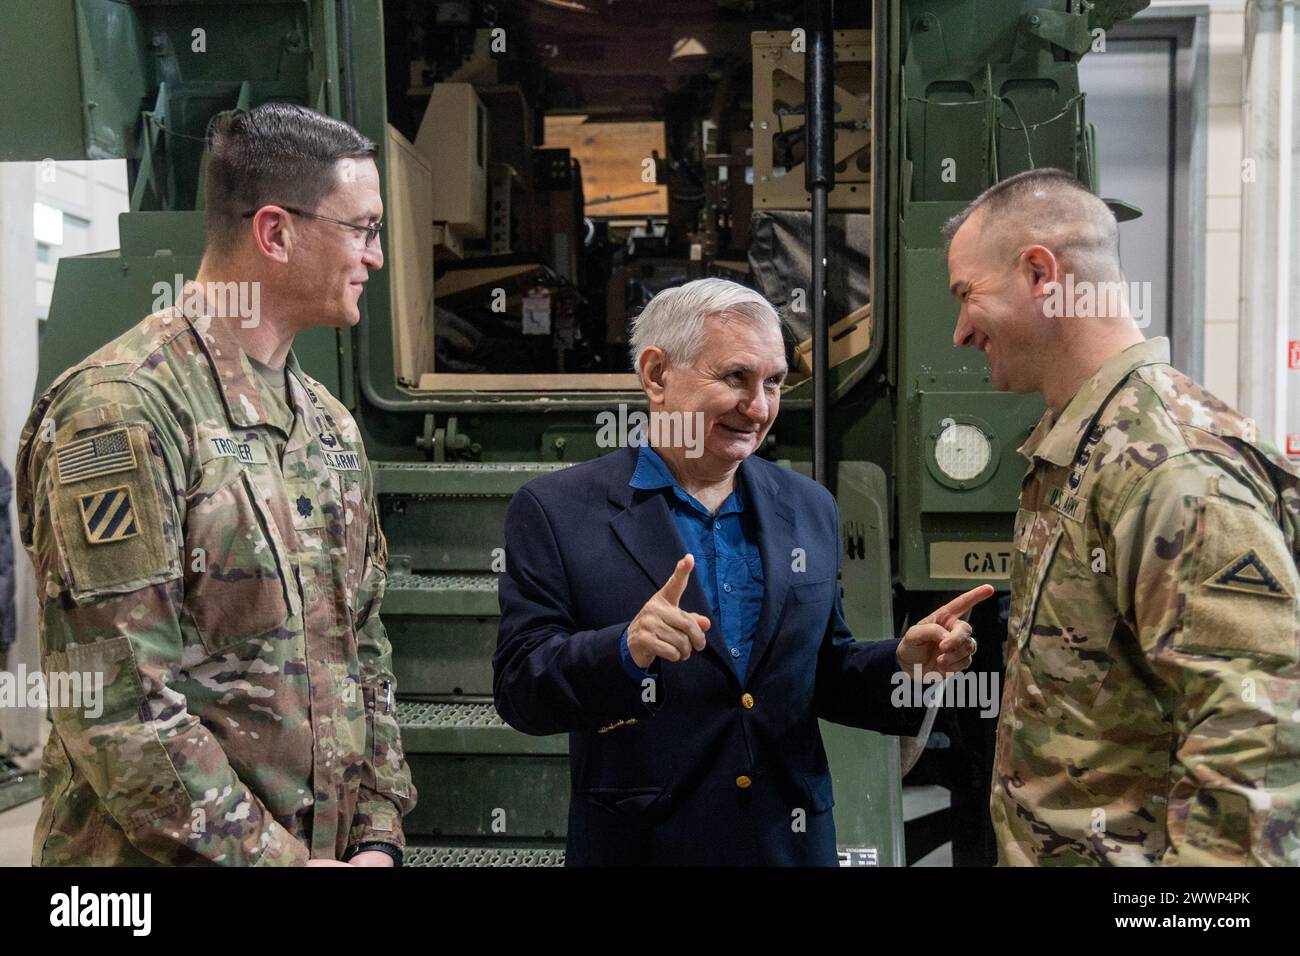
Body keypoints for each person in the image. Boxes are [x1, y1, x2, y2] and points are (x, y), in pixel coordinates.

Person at [15, 103, 415, 866]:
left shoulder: (328, 426)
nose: (376, 256)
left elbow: (363, 646)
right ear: (276, 233)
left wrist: (376, 831)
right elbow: (117, 707)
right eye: (363, 229)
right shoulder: (121, 412)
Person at [494, 277, 991, 865]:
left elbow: (823, 670)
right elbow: (522, 690)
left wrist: (903, 665)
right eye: (735, 377)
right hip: (644, 850)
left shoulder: (808, 507)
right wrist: (625, 648)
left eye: (773, 382)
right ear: (656, 374)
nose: (758, 408)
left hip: (790, 847)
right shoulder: (557, 511)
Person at [945, 167, 1300, 866]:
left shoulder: (1170, 467)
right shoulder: (1085, 442)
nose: (959, 332)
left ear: (1040, 274)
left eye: (967, 295)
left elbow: (1256, 741)